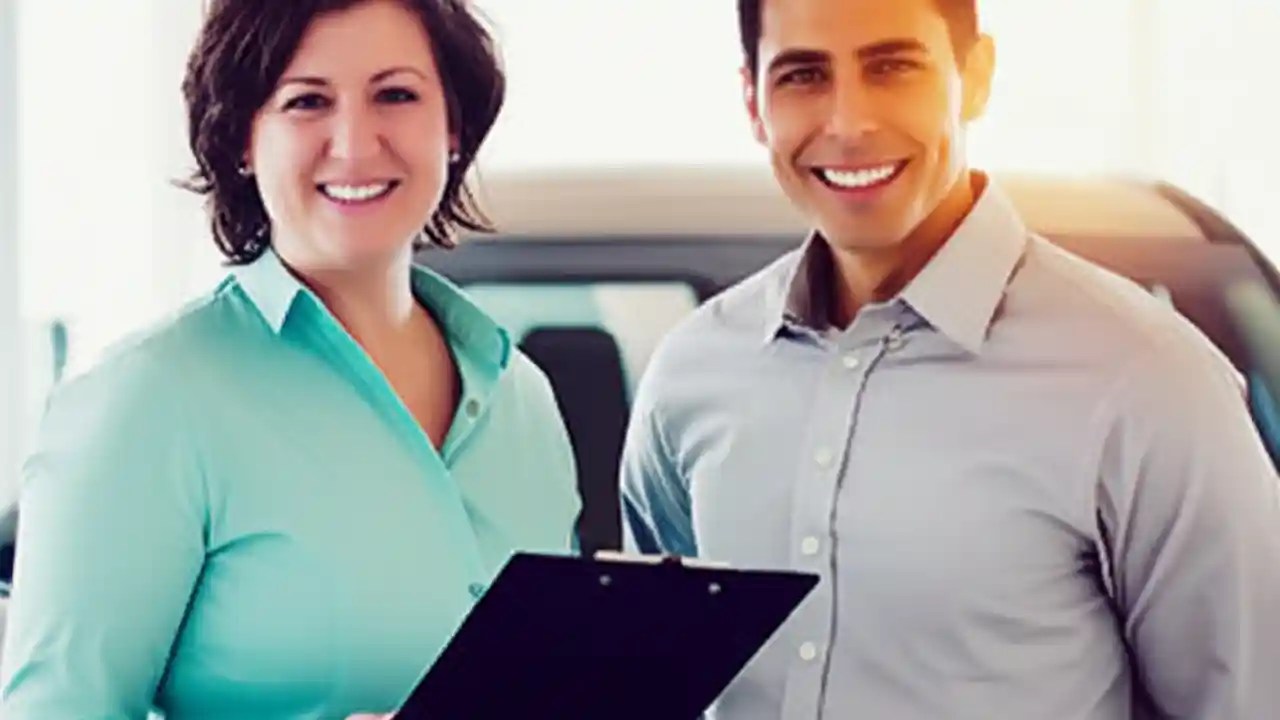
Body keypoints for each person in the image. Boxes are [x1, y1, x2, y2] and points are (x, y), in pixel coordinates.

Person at [620, 0, 1280, 717]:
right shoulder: (691, 374)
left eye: (893, 67)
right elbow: (656, 679)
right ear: (753, 101)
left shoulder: (1146, 381)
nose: (848, 123)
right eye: (804, 75)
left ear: (978, 75)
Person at [0, 0, 579, 717]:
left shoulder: (524, 400)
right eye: (307, 102)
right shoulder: (146, 403)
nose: (355, 144)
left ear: (453, 126)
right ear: (243, 137)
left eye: (395, 95)